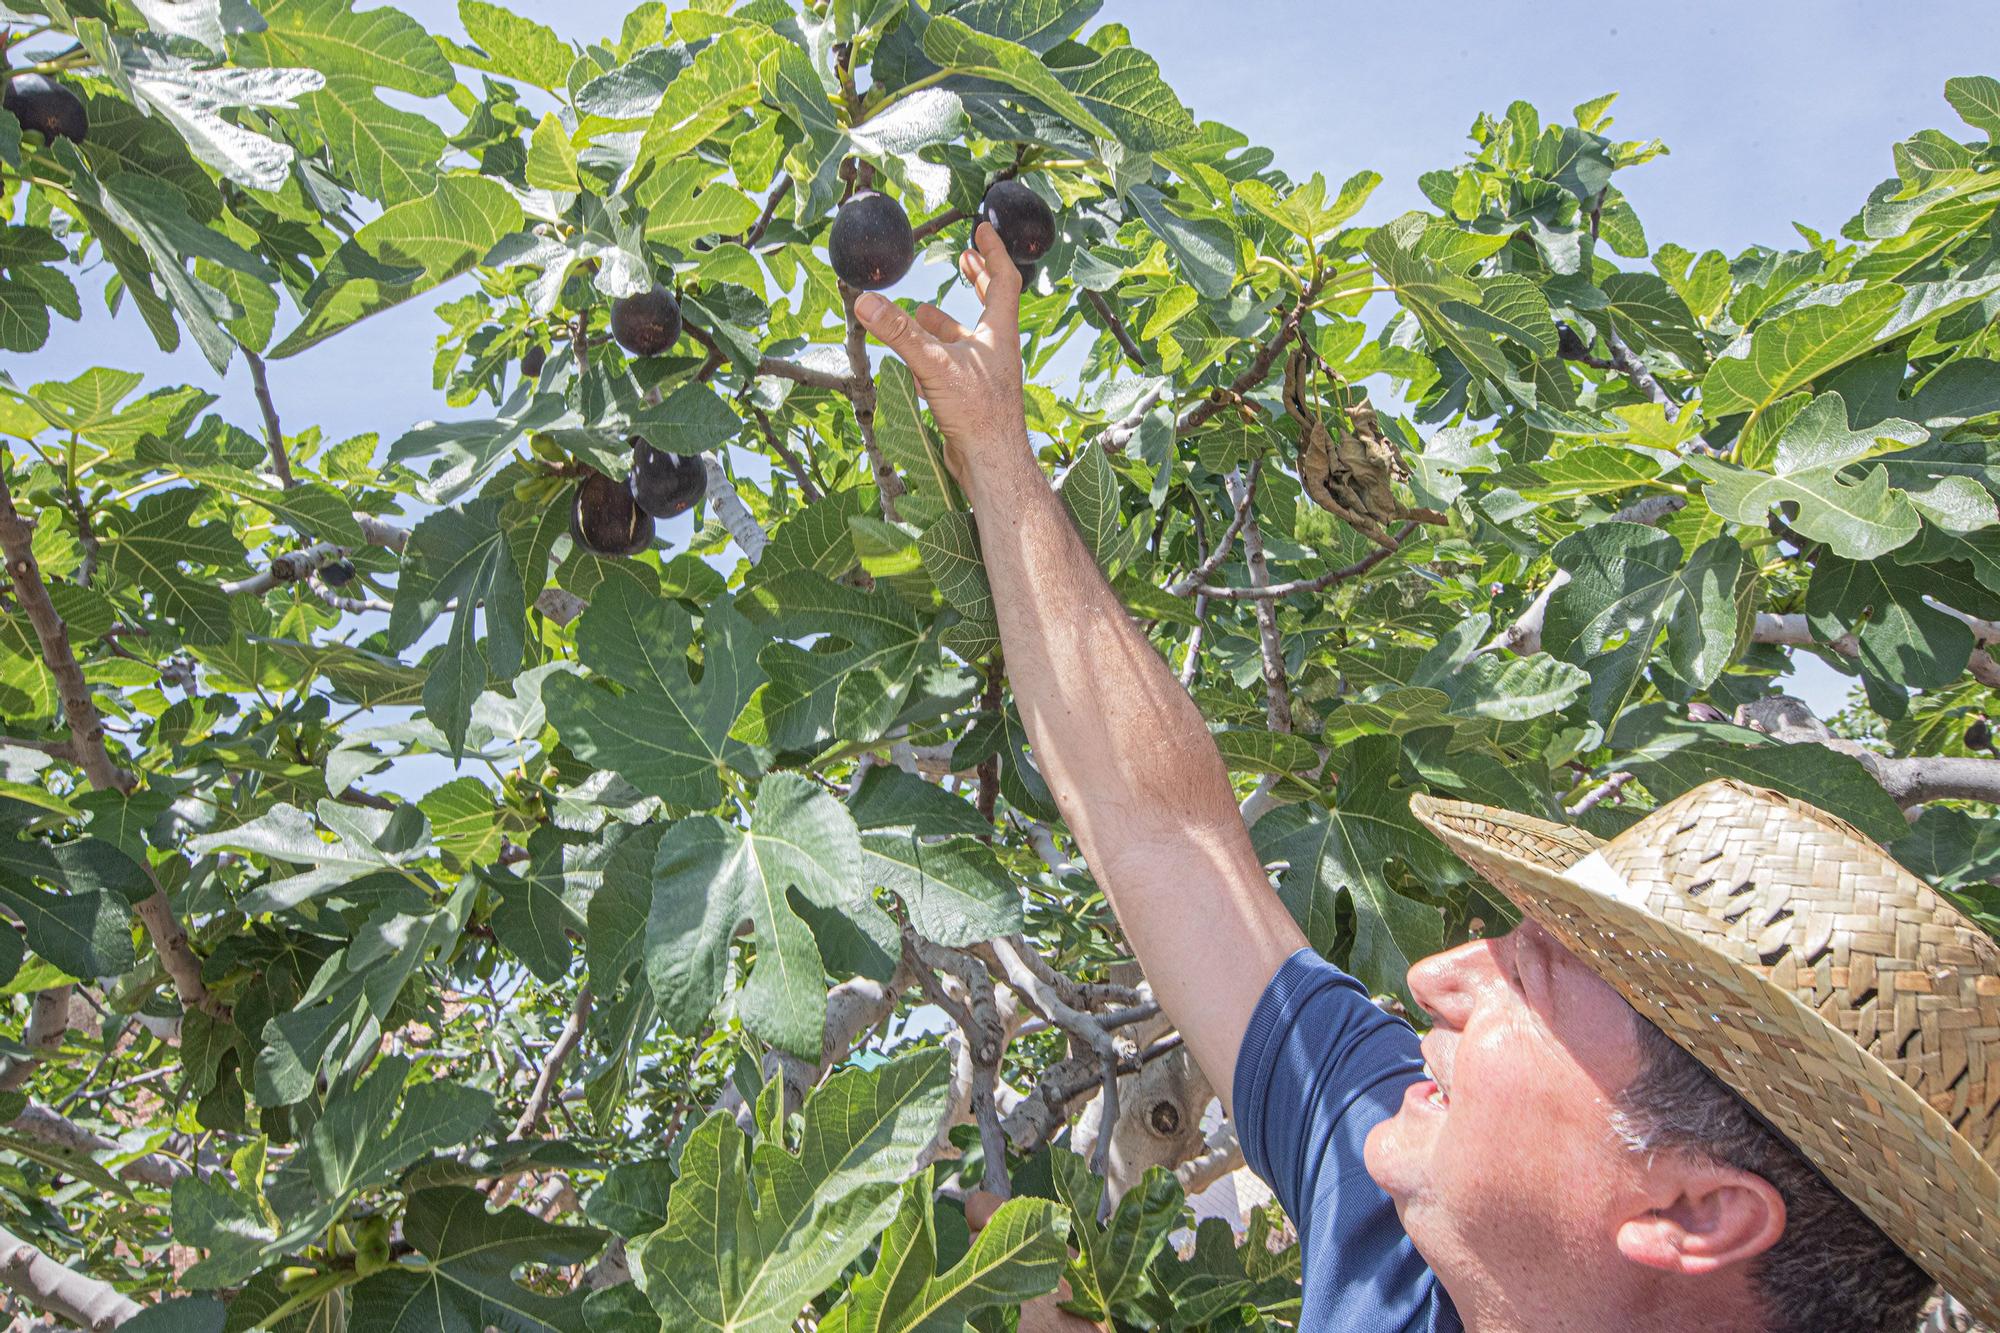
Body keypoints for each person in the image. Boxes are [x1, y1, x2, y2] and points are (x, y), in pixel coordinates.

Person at [853, 227, 1998, 1333]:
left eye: (1529, 976)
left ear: (1692, 1209)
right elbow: (1165, 835)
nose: (1437, 975)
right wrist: (994, 444)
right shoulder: (1397, 1226)